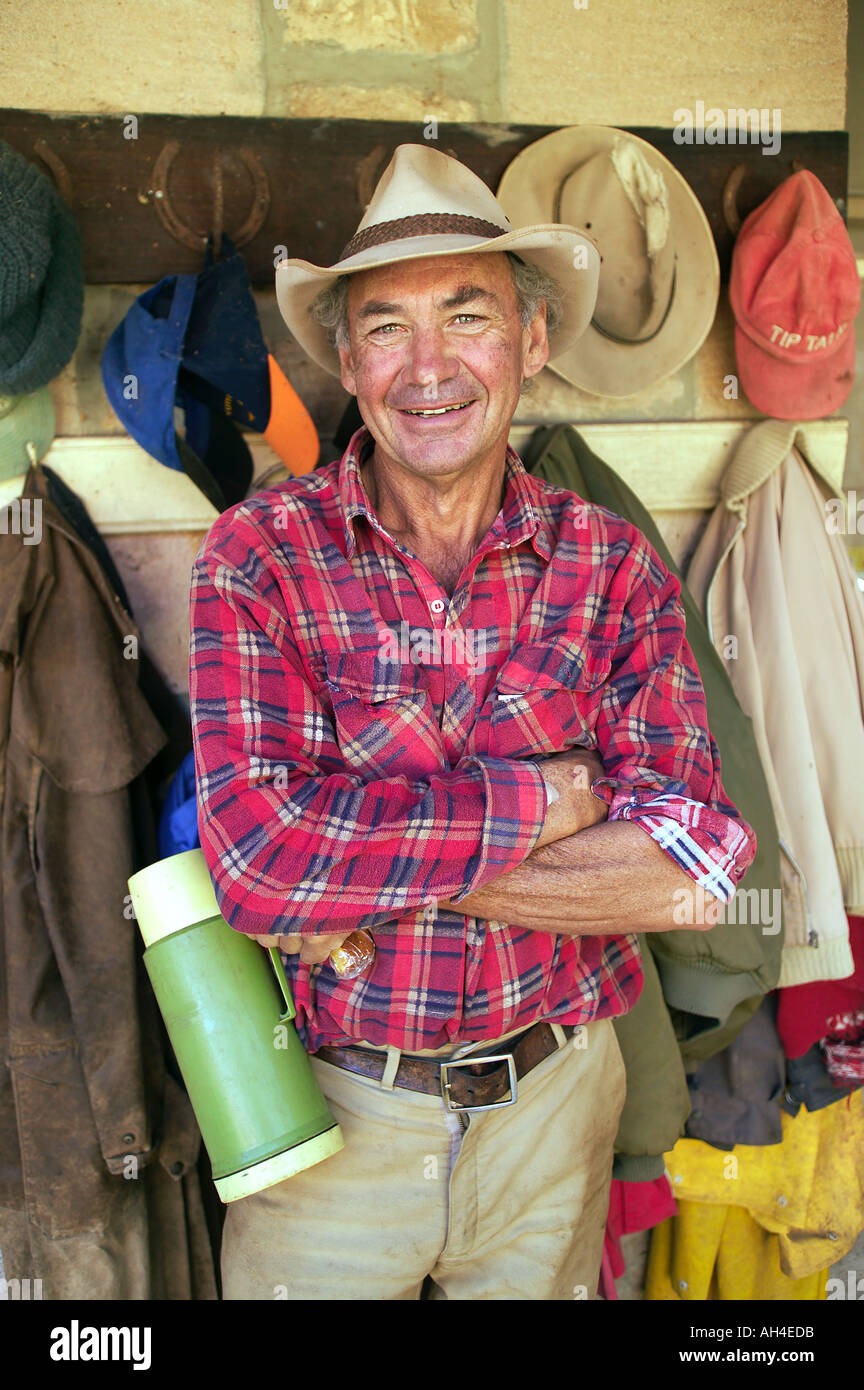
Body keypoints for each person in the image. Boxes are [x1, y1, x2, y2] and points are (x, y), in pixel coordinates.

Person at [188, 145, 756, 1300]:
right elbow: (254, 865)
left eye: (467, 314)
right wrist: (553, 799)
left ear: (534, 340)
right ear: (346, 358)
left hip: (554, 1108)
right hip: (330, 1119)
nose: (428, 365)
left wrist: (347, 856)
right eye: (386, 327)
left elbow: (692, 874)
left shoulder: (609, 565)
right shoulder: (260, 555)